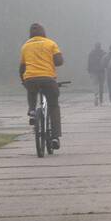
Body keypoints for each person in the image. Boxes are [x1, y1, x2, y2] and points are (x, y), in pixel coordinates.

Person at [20, 22, 64, 150]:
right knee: (53, 105)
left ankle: (32, 111)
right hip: (48, 79)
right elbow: (59, 61)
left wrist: (24, 81)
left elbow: (22, 68)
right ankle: (55, 137)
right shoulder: (50, 43)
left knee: (31, 91)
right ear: (43, 32)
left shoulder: (25, 47)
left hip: (30, 78)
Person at [87, 42, 106, 106]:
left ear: (95, 46)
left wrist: (89, 71)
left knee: (95, 85)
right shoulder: (103, 53)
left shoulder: (91, 53)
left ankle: (96, 95)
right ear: (100, 46)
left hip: (94, 71)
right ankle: (101, 100)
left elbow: (89, 62)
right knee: (101, 86)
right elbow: (105, 62)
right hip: (101, 71)